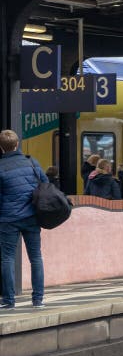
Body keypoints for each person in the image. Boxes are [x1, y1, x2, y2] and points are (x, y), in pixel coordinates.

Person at [0, 130, 48, 309]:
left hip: (8, 219)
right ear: (17, 144)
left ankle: (9, 301)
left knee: (7, 259)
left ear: (1, 147)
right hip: (31, 217)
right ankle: (38, 300)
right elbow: (45, 185)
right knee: (35, 257)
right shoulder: (32, 162)